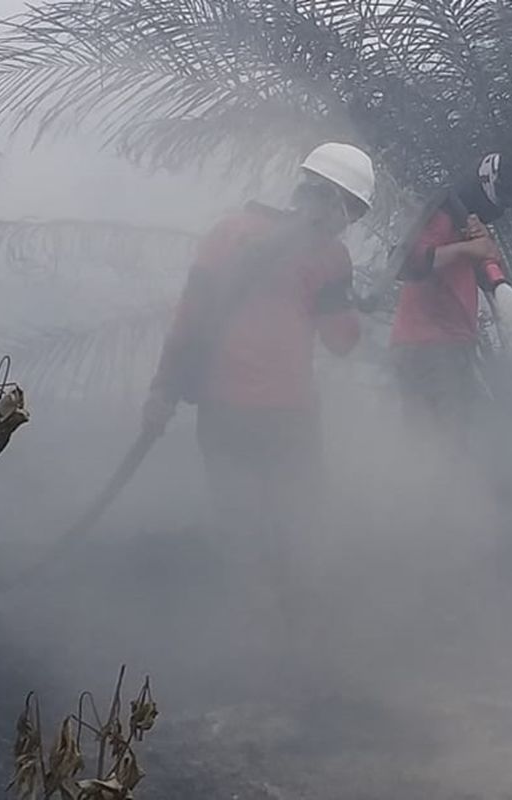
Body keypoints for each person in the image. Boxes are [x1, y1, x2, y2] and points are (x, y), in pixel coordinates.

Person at [140, 142, 374, 643]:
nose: (348, 221)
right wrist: (358, 310)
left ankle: (254, 640)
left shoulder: (229, 232)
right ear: (334, 201)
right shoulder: (330, 257)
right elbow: (341, 341)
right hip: (287, 419)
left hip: (222, 414)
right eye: (351, 210)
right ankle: (302, 642)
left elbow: (190, 316)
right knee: (298, 526)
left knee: (240, 527)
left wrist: (162, 388)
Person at [386, 152, 512, 432]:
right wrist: (469, 248)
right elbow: (406, 263)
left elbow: (492, 281)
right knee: (443, 441)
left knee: (452, 439)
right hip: (428, 346)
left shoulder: (469, 223)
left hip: (450, 348)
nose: (502, 210)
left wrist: (487, 249)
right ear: (486, 184)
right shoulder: (443, 214)